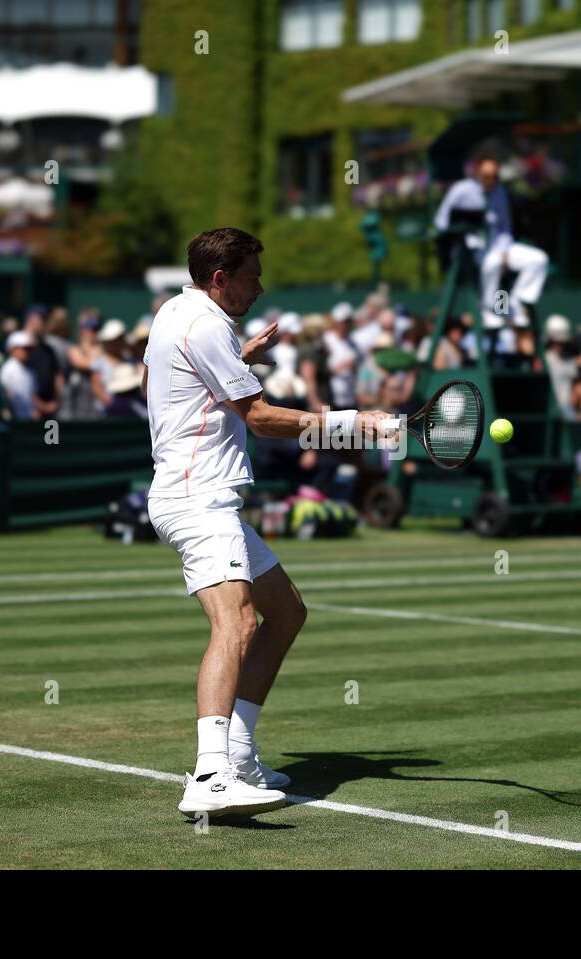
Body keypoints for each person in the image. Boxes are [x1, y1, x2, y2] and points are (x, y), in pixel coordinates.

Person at [141, 227, 392, 818]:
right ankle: (209, 774)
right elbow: (259, 419)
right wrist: (357, 424)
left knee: (287, 613)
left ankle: (240, 750)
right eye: (251, 277)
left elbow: (157, 381)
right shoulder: (204, 324)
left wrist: (236, 358)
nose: (260, 286)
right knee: (238, 623)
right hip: (195, 497)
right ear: (220, 278)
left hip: (201, 496)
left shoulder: (176, 312)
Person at [432, 155, 548, 341]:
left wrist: (503, 251)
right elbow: (441, 222)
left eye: (494, 176)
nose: (490, 181)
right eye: (486, 176)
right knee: (493, 265)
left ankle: (515, 306)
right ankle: (491, 312)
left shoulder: (500, 192)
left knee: (538, 259)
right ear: (477, 174)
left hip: (499, 247)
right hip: (471, 250)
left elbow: (504, 228)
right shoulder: (462, 190)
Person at [0, 331, 39, 420]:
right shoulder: (7, 369)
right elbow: (7, 398)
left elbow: (33, 397)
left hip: (28, 421)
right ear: (12, 349)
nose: (27, 352)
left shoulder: (30, 371)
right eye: (24, 348)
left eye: (29, 349)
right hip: (14, 422)